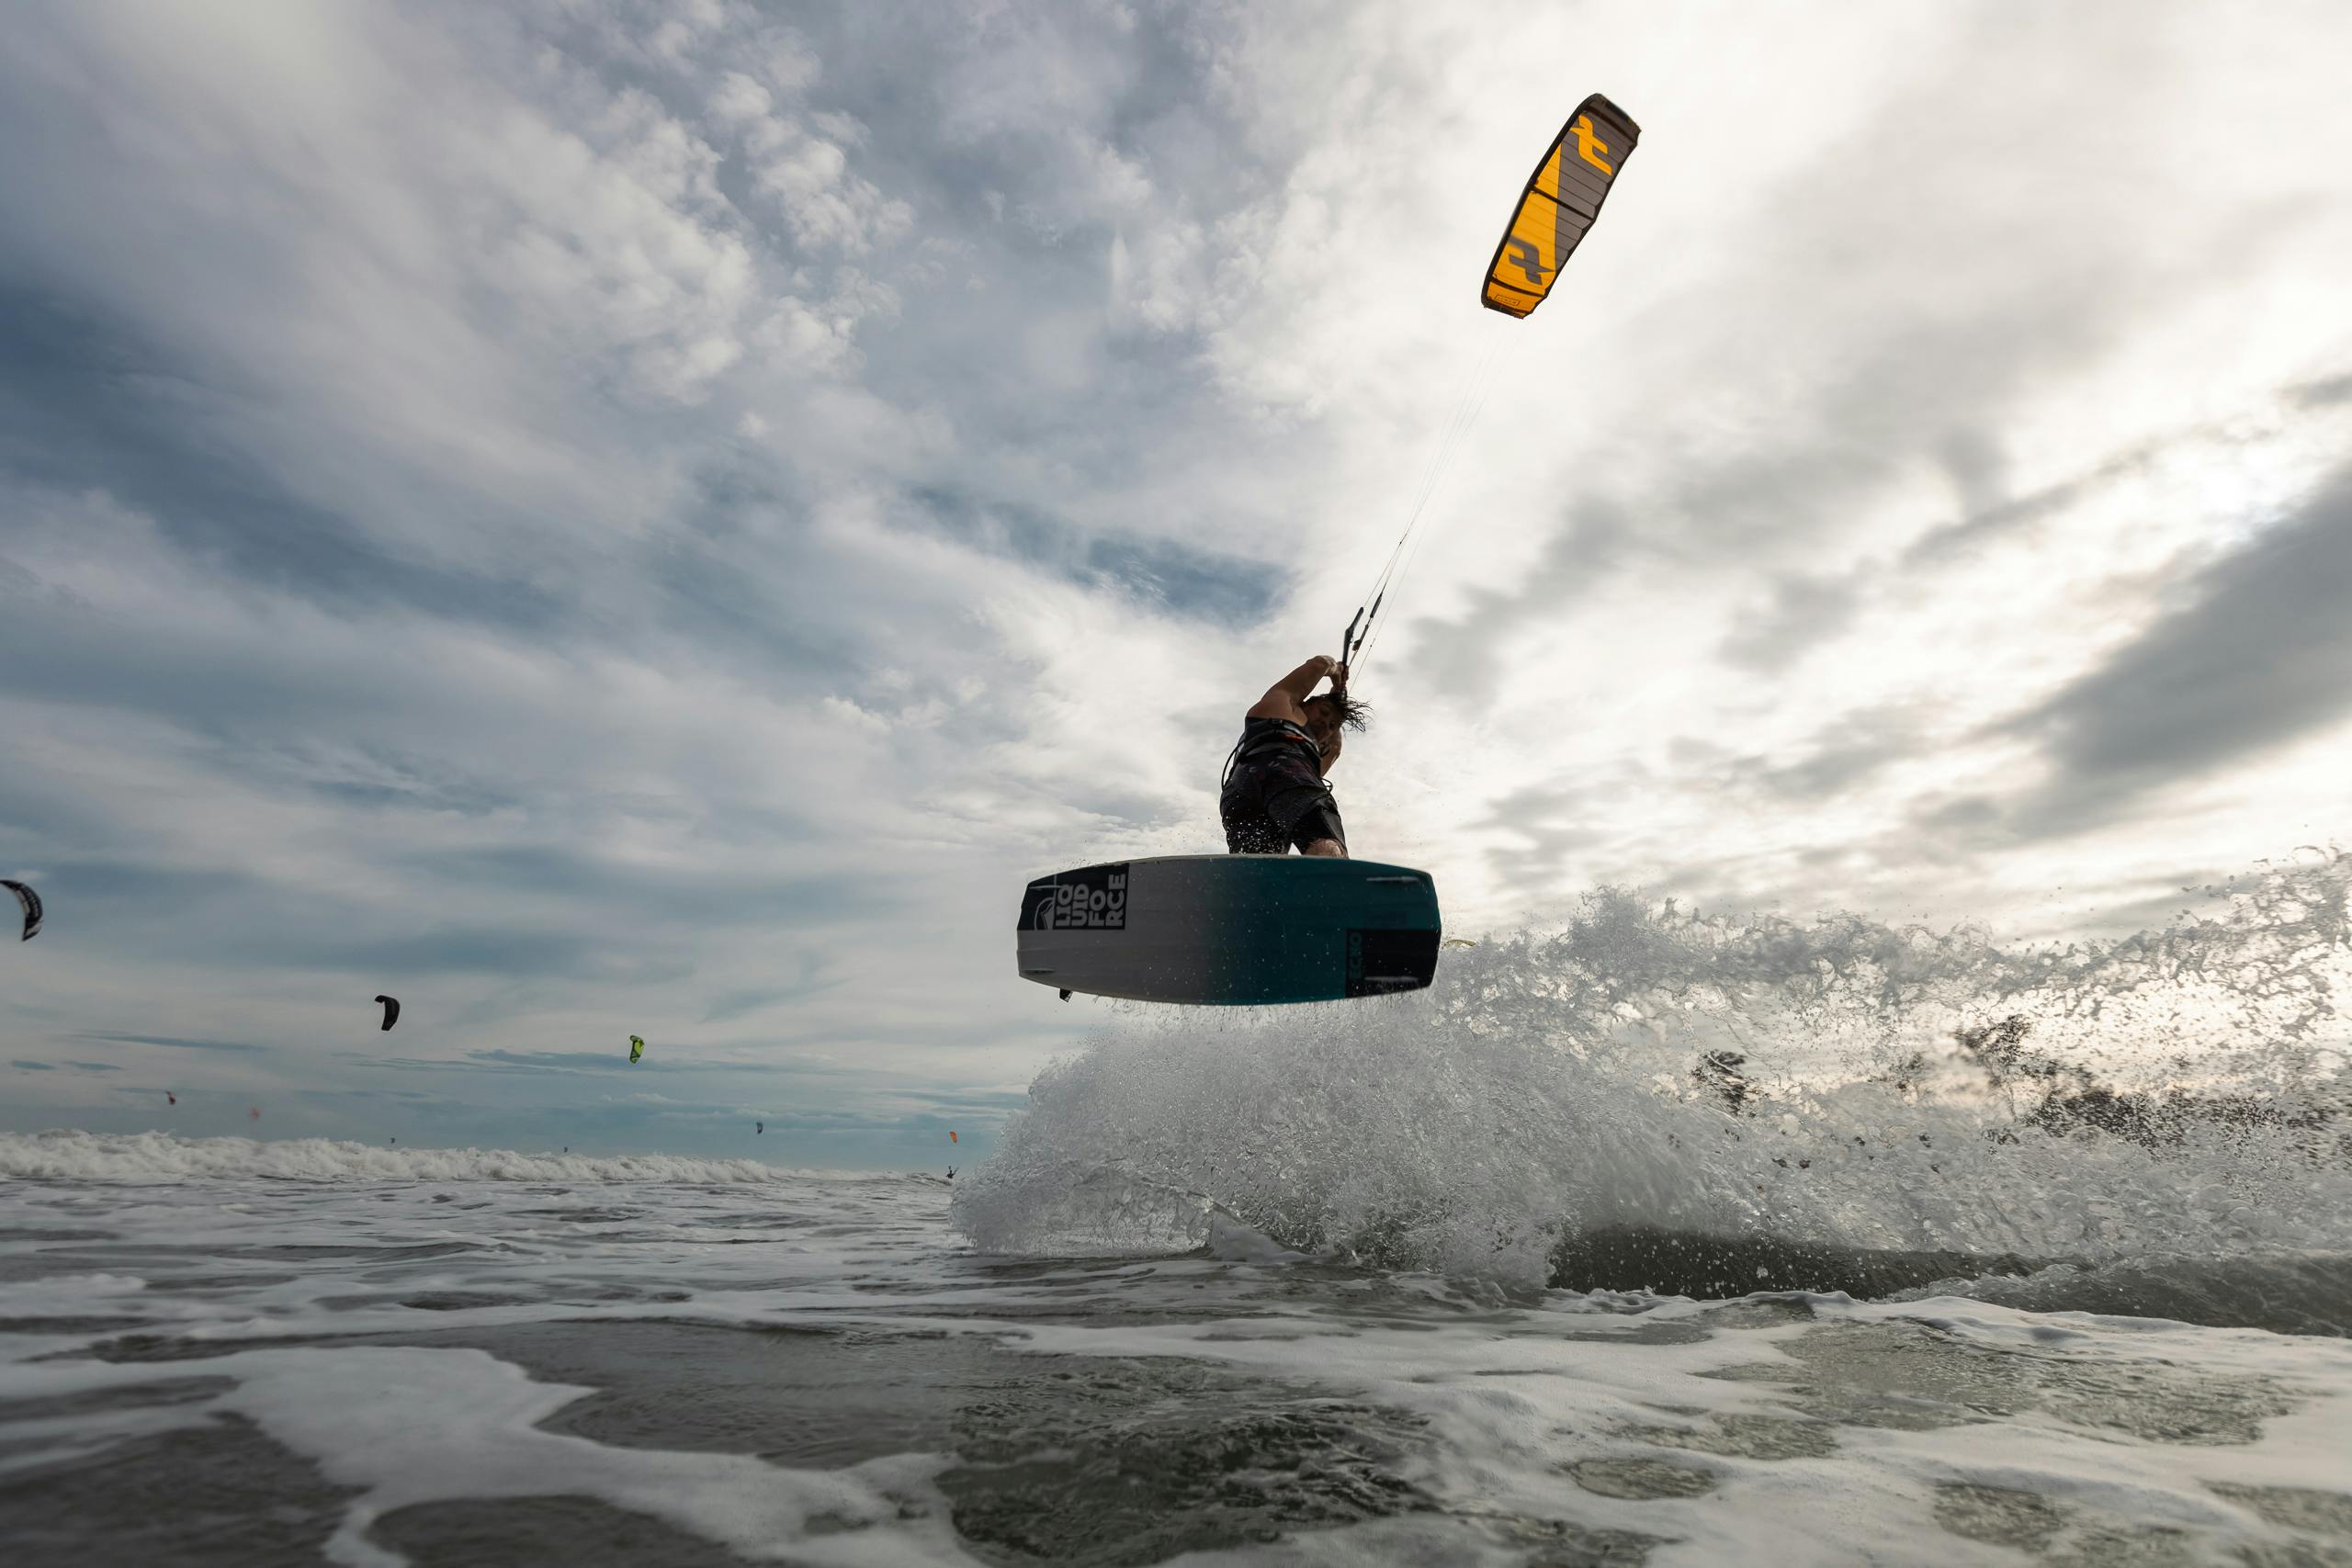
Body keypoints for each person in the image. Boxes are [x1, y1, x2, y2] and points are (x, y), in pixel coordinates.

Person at [1220, 654, 1367, 857]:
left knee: (1259, 861)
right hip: (1285, 769)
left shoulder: (1318, 750)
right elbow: (1320, 663)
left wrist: (1338, 694)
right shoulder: (1283, 703)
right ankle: (1332, 875)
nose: (1326, 724)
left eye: (1332, 725)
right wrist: (1337, 675)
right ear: (1305, 703)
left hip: (1239, 792)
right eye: (1323, 712)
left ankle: (1255, 885)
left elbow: (1335, 745)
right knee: (1322, 840)